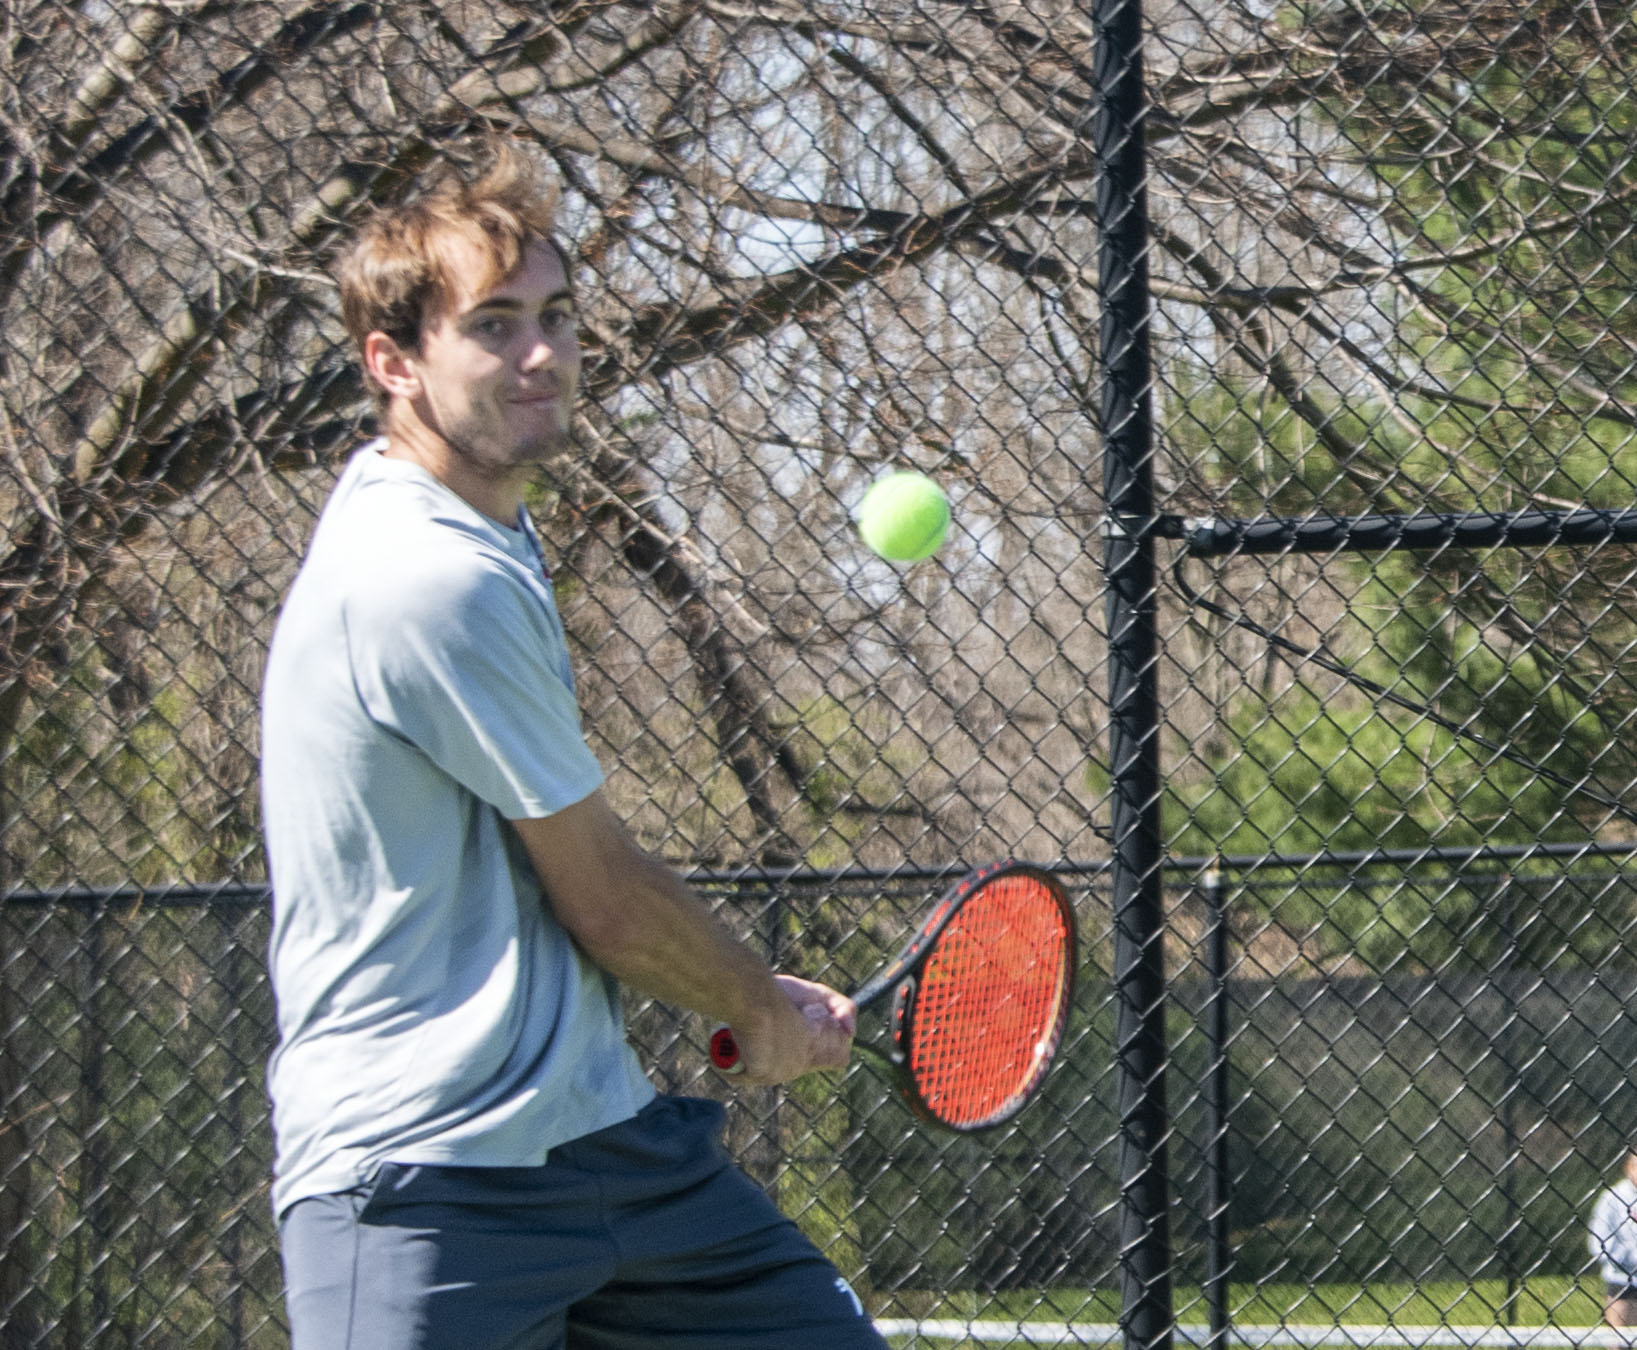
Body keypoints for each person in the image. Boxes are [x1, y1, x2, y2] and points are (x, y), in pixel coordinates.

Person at [260, 141, 888, 1350]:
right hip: (420, 1182)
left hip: (602, 1146)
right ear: (391, 362)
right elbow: (603, 899)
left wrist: (748, 1000)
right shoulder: (423, 577)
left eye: (554, 315)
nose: (540, 353)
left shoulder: (480, 527)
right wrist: (754, 1005)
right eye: (492, 325)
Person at [1590, 1147, 1637, 1328]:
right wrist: (1628, 1259)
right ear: (1628, 1168)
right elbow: (1598, 1242)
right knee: (1620, 1340)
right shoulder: (1612, 1198)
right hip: (1622, 1279)